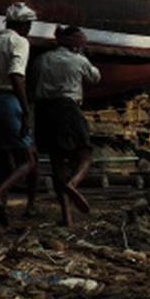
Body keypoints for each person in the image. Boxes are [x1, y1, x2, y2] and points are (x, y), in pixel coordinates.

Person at [0, 2, 40, 228]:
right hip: (6, 102)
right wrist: (26, 109)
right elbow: (16, 76)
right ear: (23, 24)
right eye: (29, 24)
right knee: (28, 159)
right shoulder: (20, 41)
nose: (30, 29)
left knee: (3, 164)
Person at [32, 25, 101, 226]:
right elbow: (96, 78)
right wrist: (86, 57)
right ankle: (73, 183)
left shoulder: (40, 60)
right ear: (77, 45)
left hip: (44, 110)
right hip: (67, 107)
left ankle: (67, 217)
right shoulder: (78, 60)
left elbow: (32, 83)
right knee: (85, 154)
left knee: (57, 163)